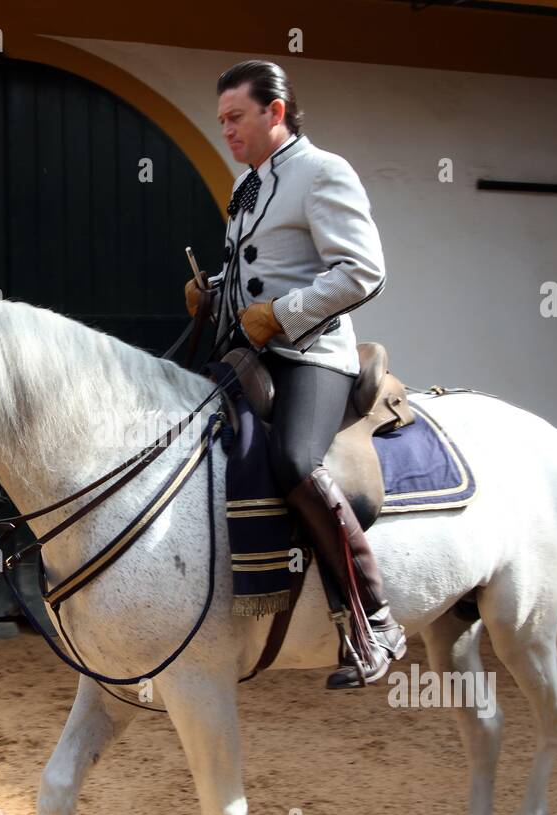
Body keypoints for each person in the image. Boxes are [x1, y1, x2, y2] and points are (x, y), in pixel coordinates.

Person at [184, 60, 405, 689]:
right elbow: (264, 268)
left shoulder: (324, 171)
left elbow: (362, 271)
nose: (226, 130)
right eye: (221, 120)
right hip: (250, 352)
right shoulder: (246, 186)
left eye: (236, 118)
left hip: (312, 354)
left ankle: (372, 619)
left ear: (274, 112)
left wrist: (279, 314)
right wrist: (214, 291)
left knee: (293, 460)